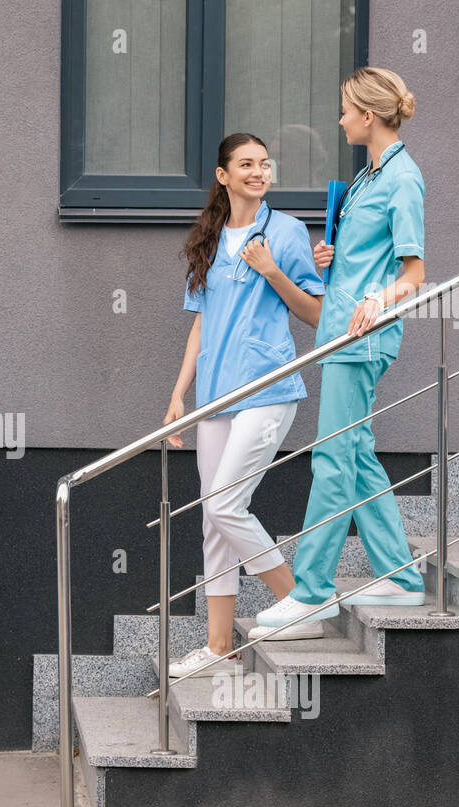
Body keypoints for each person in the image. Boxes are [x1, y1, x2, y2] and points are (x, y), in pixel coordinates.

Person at [253, 67, 426, 640]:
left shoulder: (403, 180)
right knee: (356, 455)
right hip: (340, 335)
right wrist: (332, 257)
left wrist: (377, 297)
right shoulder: (366, 180)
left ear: (369, 116)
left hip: (363, 338)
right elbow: (366, 259)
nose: (340, 118)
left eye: (347, 109)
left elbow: (415, 275)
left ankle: (312, 593)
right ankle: (400, 576)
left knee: (331, 459)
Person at [163, 133, 325, 676]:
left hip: (268, 388)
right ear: (223, 175)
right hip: (215, 396)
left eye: (265, 164)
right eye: (246, 164)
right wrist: (178, 395)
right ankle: (216, 648)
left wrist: (272, 270)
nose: (259, 172)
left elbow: (316, 315)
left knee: (226, 505)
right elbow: (201, 327)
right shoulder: (208, 240)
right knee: (214, 521)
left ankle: (303, 600)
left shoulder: (287, 232)